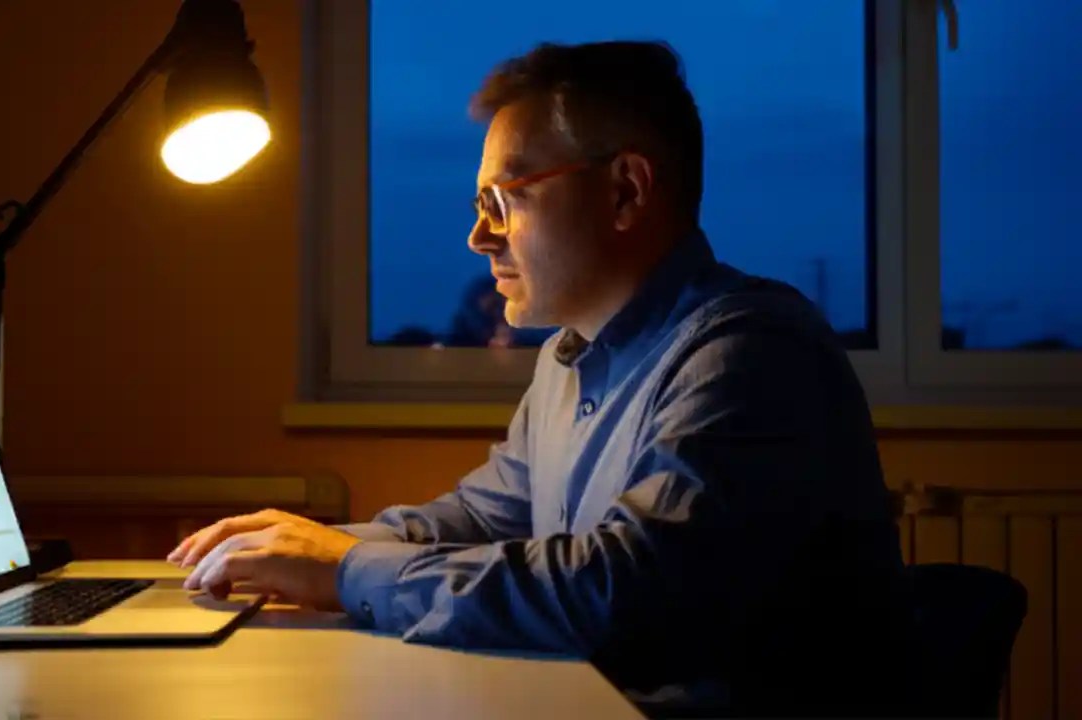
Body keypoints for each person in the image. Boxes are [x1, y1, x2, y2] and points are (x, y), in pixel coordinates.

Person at [168, 40, 907, 716]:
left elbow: (621, 592)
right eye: (478, 206)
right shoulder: (567, 364)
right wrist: (300, 547)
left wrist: (350, 571)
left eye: (504, 200)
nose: (478, 236)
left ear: (626, 191)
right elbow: (478, 522)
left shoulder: (748, 352)